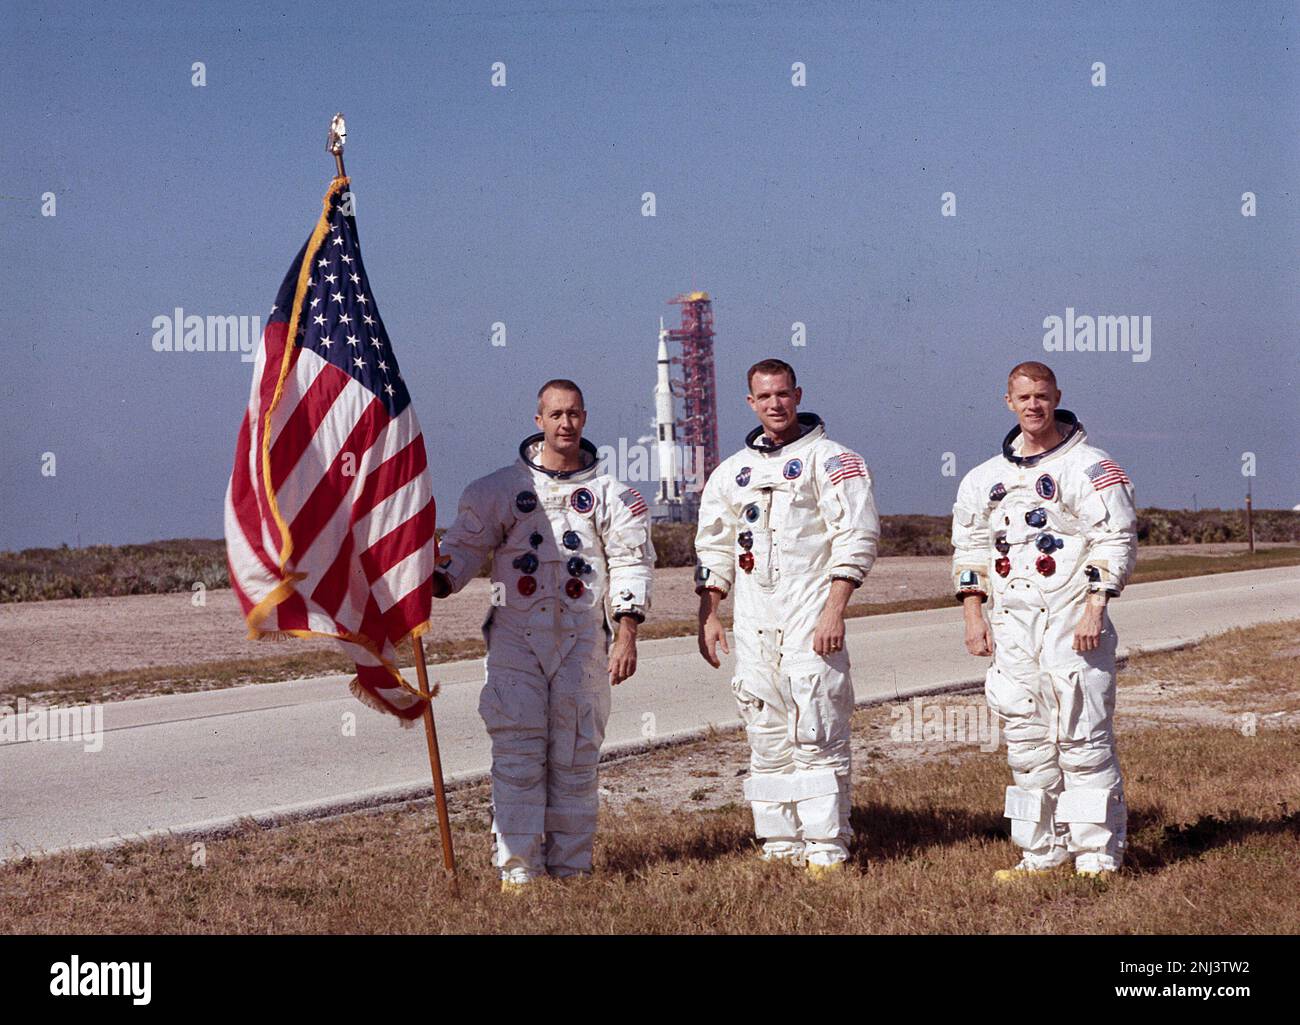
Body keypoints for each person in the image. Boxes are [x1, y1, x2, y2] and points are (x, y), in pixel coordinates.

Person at [433, 380, 654, 890]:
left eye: (573, 413)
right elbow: (462, 551)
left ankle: (572, 869)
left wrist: (627, 631)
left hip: (582, 638)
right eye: (555, 414)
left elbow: (631, 564)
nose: (565, 423)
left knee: (576, 755)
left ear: (585, 417)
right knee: (517, 753)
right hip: (516, 639)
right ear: (538, 420)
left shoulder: (614, 496)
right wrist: (434, 576)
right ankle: (520, 871)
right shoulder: (497, 490)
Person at [951, 361, 1138, 879]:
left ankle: (1097, 857)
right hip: (1012, 623)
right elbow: (969, 549)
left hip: (1072, 620)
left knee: (1081, 737)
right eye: (1023, 397)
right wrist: (974, 614)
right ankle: (1040, 851)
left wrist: (1094, 608)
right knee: (1027, 742)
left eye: (1041, 396)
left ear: (1056, 396)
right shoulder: (984, 479)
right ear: (1007, 401)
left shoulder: (1091, 467)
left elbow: (1115, 540)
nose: (1033, 405)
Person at [694, 359, 880, 876]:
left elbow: (856, 536)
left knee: (816, 727)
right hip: (754, 617)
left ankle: (825, 847)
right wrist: (710, 613)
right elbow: (714, 545)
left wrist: (834, 611)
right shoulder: (732, 472)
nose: (775, 404)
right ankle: (780, 842)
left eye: (783, 394)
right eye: (763, 396)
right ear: (750, 402)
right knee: (765, 729)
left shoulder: (834, 460)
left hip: (811, 613)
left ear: (798, 395)